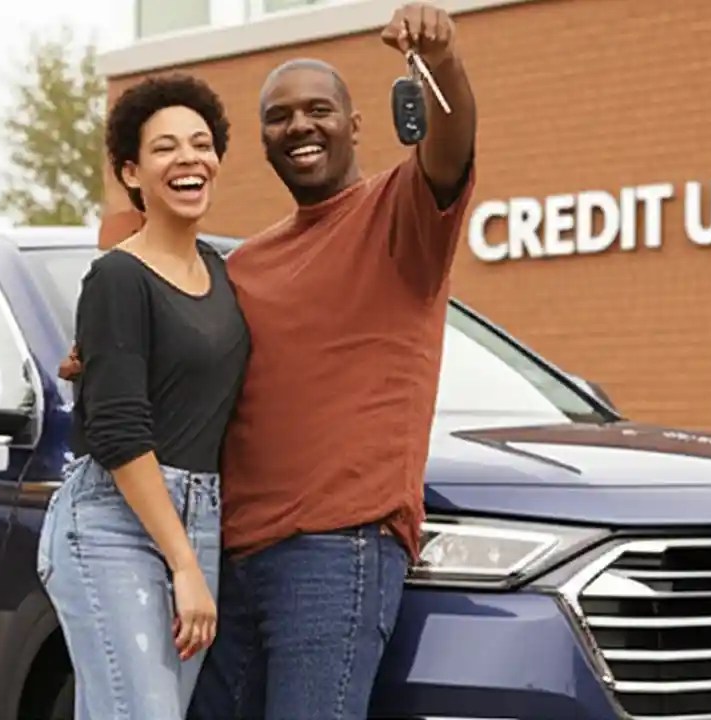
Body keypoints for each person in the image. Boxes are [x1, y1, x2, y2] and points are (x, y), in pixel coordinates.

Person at [185, 3, 478, 718]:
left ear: (355, 125)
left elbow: (451, 143)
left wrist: (439, 61)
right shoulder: (244, 264)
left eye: (319, 110)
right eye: (279, 117)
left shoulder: (399, 212)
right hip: (227, 560)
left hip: (333, 553)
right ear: (263, 140)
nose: (299, 127)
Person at [35, 73, 250, 720]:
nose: (188, 158)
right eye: (164, 148)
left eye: (201, 143)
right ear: (132, 172)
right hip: (112, 523)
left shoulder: (223, 272)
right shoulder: (116, 278)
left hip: (201, 512)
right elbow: (122, 431)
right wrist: (183, 563)